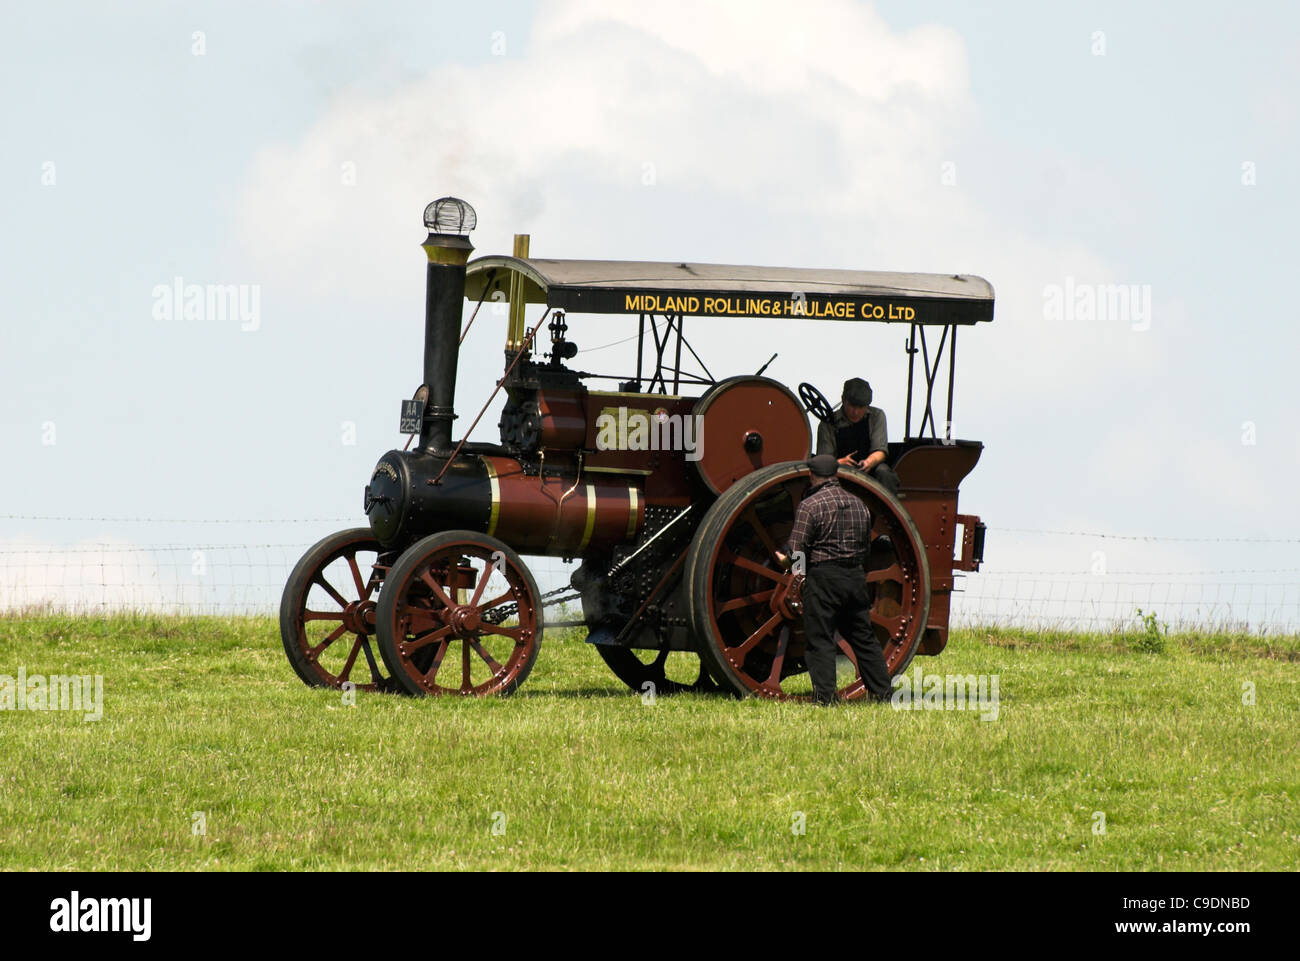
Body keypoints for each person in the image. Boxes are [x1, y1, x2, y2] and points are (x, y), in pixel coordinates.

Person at [777, 454, 892, 705]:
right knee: (864, 638)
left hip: (823, 578)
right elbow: (866, 548)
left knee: (820, 639)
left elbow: (797, 550)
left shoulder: (810, 505)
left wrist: (791, 569)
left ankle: (826, 698)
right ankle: (883, 693)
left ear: (811, 476)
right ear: (836, 475)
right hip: (854, 577)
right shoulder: (860, 504)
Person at [814, 377, 900, 496]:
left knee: (884, 473)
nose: (856, 412)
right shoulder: (828, 424)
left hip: (871, 471)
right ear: (843, 401)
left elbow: (880, 451)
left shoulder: (877, 416)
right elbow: (822, 463)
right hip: (839, 473)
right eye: (852, 406)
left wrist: (868, 462)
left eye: (861, 408)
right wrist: (839, 463)